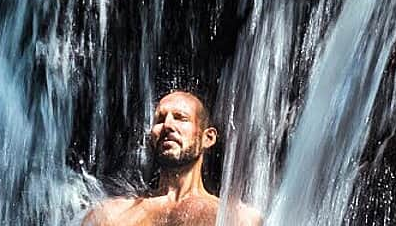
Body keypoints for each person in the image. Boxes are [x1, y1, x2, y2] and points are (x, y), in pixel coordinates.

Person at [82, 91, 262, 226]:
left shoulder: (239, 219)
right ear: (151, 138)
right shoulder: (109, 215)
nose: (167, 125)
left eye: (180, 118)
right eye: (160, 119)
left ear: (208, 138)